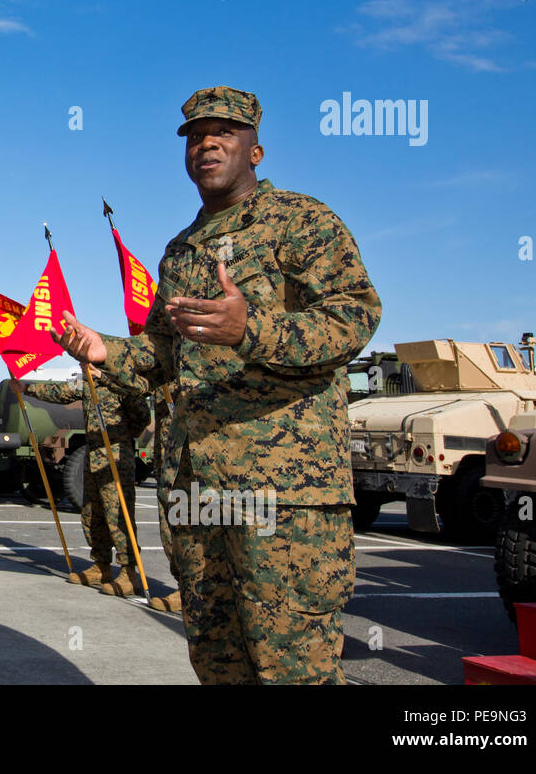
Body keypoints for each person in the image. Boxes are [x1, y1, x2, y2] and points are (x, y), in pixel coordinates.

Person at [54, 85, 381, 684]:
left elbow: (354, 317)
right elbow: (161, 355)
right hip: (198, 491)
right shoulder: (181, 251)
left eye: (223, 133)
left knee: (294, 669)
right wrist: (103, 349)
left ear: (255, 150)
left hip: (284, 489)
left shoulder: (303, 222)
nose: (207, 144)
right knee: (218, 661)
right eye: (196, 136)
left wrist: (250, 328)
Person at [24, 366, 150, 593]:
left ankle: (129, 571)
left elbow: (142, 416)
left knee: (118, 515)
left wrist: (120, 437)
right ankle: (101, 565)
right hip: (92, 457)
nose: (82, 365)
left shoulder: (122, 383)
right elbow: (59, 391)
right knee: (92, 513)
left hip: (116, 459)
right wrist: (26, 388)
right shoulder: (86, 384)